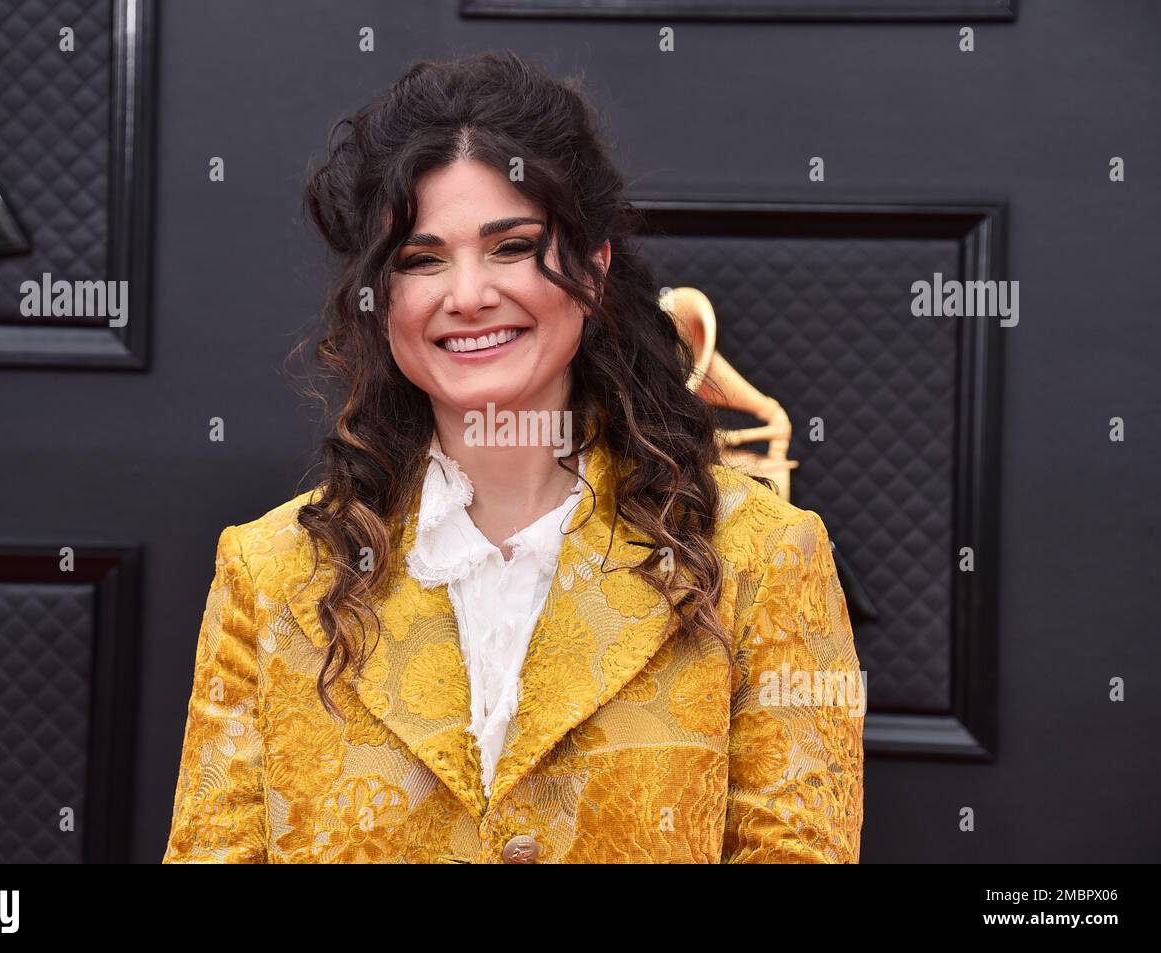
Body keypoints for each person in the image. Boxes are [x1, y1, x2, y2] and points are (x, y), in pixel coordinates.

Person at [162, 50, 864, 864]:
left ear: (594, 270)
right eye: (422, 259)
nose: (467, 295)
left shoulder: (765, 559)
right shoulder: (272, 574)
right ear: (380, 298)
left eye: (511, 246)